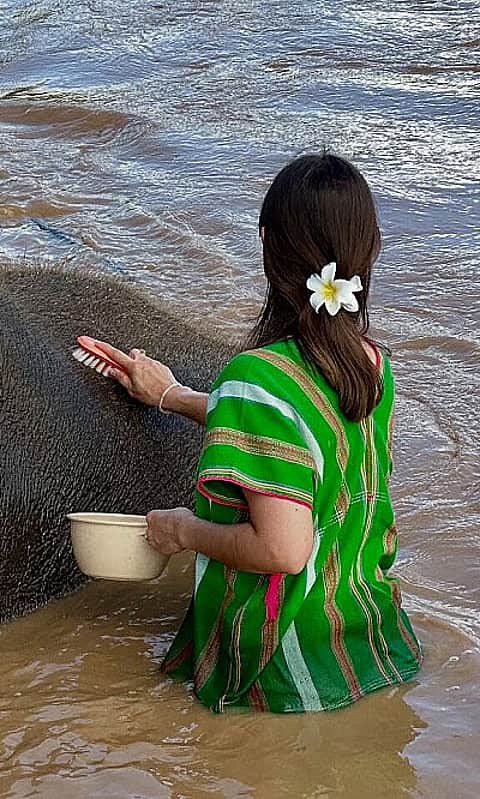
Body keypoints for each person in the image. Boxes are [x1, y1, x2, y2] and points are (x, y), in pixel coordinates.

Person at [81, 153, 421, 713]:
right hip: (372, 645)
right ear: (367, 253)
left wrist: (182, 531)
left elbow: (284, 550)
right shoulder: (370, 365)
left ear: (267, 244)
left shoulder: (255, 379)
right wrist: (171, 395)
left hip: (283, 676)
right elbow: (300, 428)